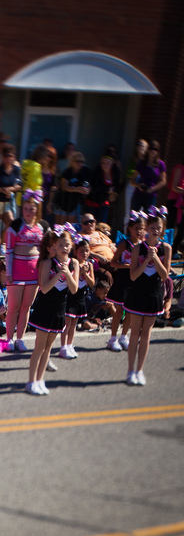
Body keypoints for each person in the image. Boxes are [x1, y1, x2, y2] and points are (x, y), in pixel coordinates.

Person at [25, 228, 79, 395]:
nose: (64, 248)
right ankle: (31, 381)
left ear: (71, 246)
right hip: (45, 307)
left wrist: (68, 274)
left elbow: (74, 289)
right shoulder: (48, 263)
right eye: (60, 245)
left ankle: (40, 380)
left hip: (60, 309)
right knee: (39, 347)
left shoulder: (74, 263)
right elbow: (44, 288)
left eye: (67, 245)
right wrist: (58, 274)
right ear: (54, 246)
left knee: (48, 347)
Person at [124, 208, 171, 385]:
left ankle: (140, 370)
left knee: (146, 334)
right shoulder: (137, 248)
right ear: (146, 229)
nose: (155, 230)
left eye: (159, 227)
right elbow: (133, 275)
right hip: (138, 293)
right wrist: (146, 260)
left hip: (154, 294)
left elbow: (165, 276)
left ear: (163, 230)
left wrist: (156, 259)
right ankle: (130, 370)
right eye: (152, 227)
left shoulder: (166, 248)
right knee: (135, 332)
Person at [4, 191, 49, 352]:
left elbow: (47, 249)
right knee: (13, 307)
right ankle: (9, 339)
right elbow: (8, 251)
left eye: (32, 209)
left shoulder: (43, 226)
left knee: (26, 307)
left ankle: (20, 339)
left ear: (38, 209)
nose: (28, 212)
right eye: (26, 209)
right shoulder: (15, 226)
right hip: (16, 273)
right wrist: (8, 272)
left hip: (34, 274)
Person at [106, 212, 144, 351]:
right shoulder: (124, 244)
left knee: (130, 310)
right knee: (119, 310)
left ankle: (124, 336)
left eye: (142, 228)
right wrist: (127, 266)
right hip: (123, 280)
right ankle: (112, 338)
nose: (139, 231)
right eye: (136, 228)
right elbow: (113, 263)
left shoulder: (143, 246)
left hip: (136, 281)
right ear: (130, 229)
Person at [60, 237, 96, 360]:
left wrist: (85, 274)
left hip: (81, 296)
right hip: (71, 295)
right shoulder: (72, 263)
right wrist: (80, 272)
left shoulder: (89, 265)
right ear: (75, 251)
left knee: (74, 323)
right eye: (82, 250)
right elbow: (72, 281)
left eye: (87, 251)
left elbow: (92, 284)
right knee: (67, 323)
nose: (84, 253)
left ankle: (70, 345)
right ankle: (63, 346)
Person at [0, 144, 22, 232]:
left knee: (10, 222)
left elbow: (20, 185)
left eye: (11, 156)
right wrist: (4, 191)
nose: (8, 158)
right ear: (3, 157)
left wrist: (10, 189)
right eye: (6, 156)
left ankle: (2, 243)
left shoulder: (16, 170)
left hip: (6, 203)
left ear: (14, 157)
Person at [129, 142, 167, 211]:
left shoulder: (161, 164)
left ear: (158, 151)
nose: (153, 151)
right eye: (151, 149)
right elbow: (132, 180)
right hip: (138, 193)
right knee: (134, 217)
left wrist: (152, 189)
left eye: (155, 149)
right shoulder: (141, 162)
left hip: (151, 195)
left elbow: (163, 181)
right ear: (148, 150)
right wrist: (138, 185)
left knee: (149, 217)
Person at [85, 155, 120, 226]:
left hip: (104, 202)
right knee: (91, 224)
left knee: (102, 224)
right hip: (93, 202)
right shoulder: (96, 171)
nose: (105, 165)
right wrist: (107, 189)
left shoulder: (115, 172)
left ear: (112, 163)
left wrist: (114, 191)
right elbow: (94, 186)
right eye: (103, 163)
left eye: (108, 163)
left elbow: (118, 185)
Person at [123, 139, 149, 231]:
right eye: (138, 145)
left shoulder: (148, 162)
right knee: (129, 212)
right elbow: (128, 172)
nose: (140, 147)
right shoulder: (133, 160)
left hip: (142, 189)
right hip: (132, 186)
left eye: (142, 146)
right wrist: (137, 173)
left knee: (141, 213)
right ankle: (126, 233)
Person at [56, 152, 89, 224]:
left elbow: (89, 184)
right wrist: (77, 189)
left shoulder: (84, 172)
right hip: (62, 202)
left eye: (82, 161)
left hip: (74, 204)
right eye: (77, 161)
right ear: (72, 162)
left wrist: (87, 190)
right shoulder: (67, 172)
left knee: (72, 227)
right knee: (60, 226)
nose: (79, 163)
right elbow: (64, 187)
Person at [169, 158, 184, 256]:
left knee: (181, 227)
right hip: (174, 200)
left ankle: (173, 249)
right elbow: (173, 186)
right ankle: (167, 250)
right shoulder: (180, 168)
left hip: (182, 202)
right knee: (171, 226)